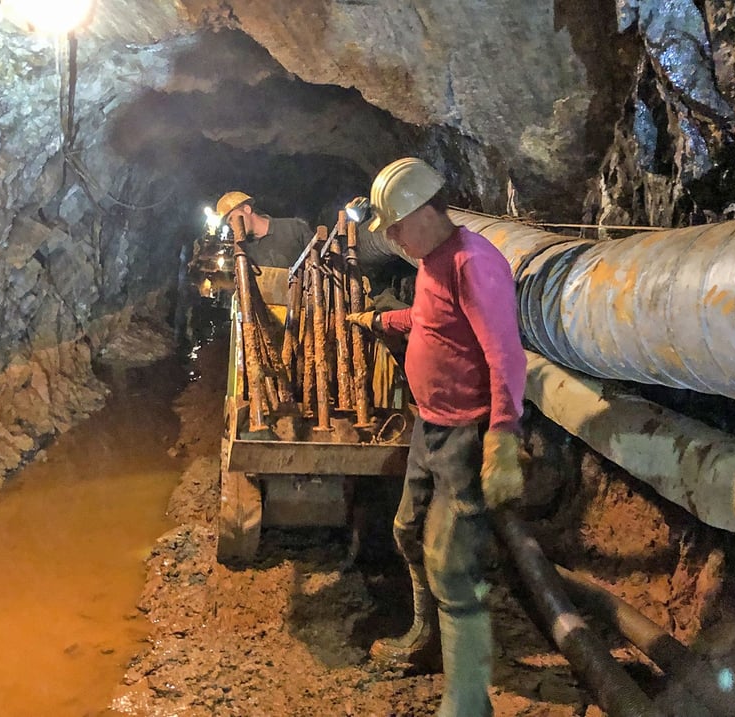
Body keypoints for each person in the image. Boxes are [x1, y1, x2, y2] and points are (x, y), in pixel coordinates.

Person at [346, 158, 526, 717]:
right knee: (406, 529)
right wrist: (380, 324)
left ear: (426, 210)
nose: (392, 236)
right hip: (430, 427)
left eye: (396, 225)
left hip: (467, 436)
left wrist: (502, 438)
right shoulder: (431, 261)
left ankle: (468, 703)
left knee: (452, 565)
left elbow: (506, 356)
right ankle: (427, 638)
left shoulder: (473, 264)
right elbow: (431, 322)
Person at [215, 191, 314, 268]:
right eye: (229, 223)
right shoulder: (245, 252)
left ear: (247, 209)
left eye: (232, 218)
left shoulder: (294, 228)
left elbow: (318, 261)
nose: (232, 225)